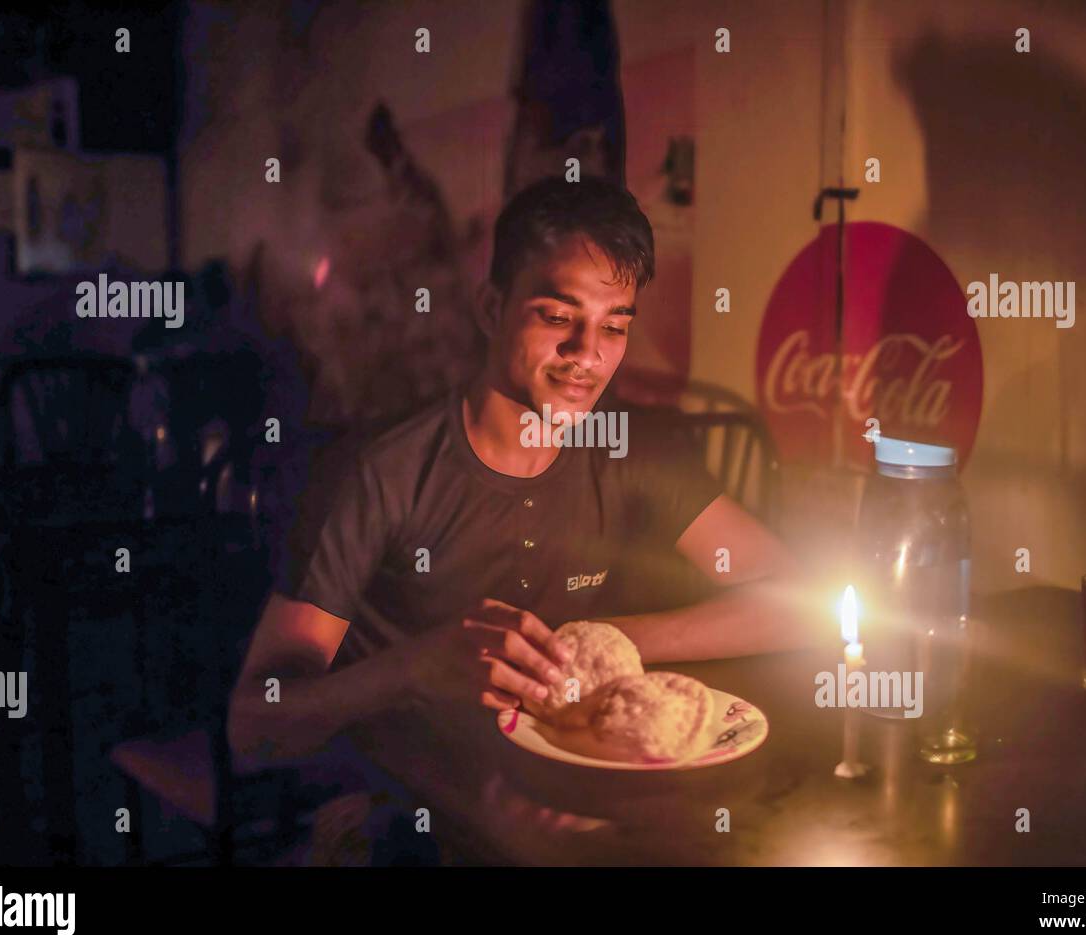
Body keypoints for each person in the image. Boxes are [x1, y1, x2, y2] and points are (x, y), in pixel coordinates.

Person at [227, 176, 804, 766]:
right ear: (491, 307)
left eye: (614, 326)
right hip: (401, 796)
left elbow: (797, 604)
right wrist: (414, 668)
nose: (586, 353)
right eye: (558, 316)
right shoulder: (380, 474)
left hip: (563, 785)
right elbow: (253, 725)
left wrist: (593, 643)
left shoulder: (632, 447)